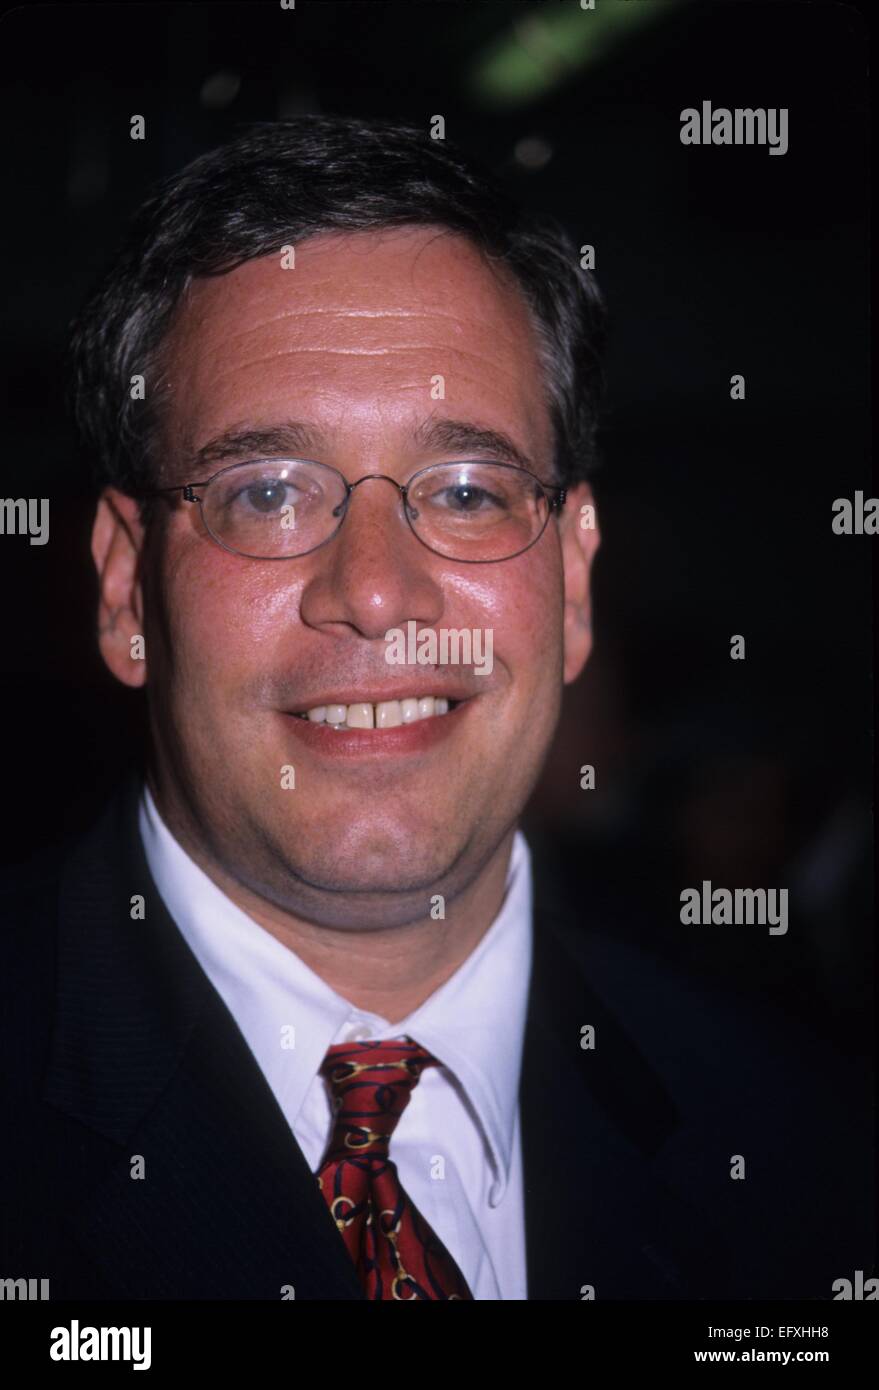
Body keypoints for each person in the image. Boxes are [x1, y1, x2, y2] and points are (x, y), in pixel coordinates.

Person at [0, 116, 870, 1301]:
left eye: (465, 490)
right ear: (124, 588)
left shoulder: (808, 1147)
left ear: (570, 583)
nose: (373, 591)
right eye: (265, 491)